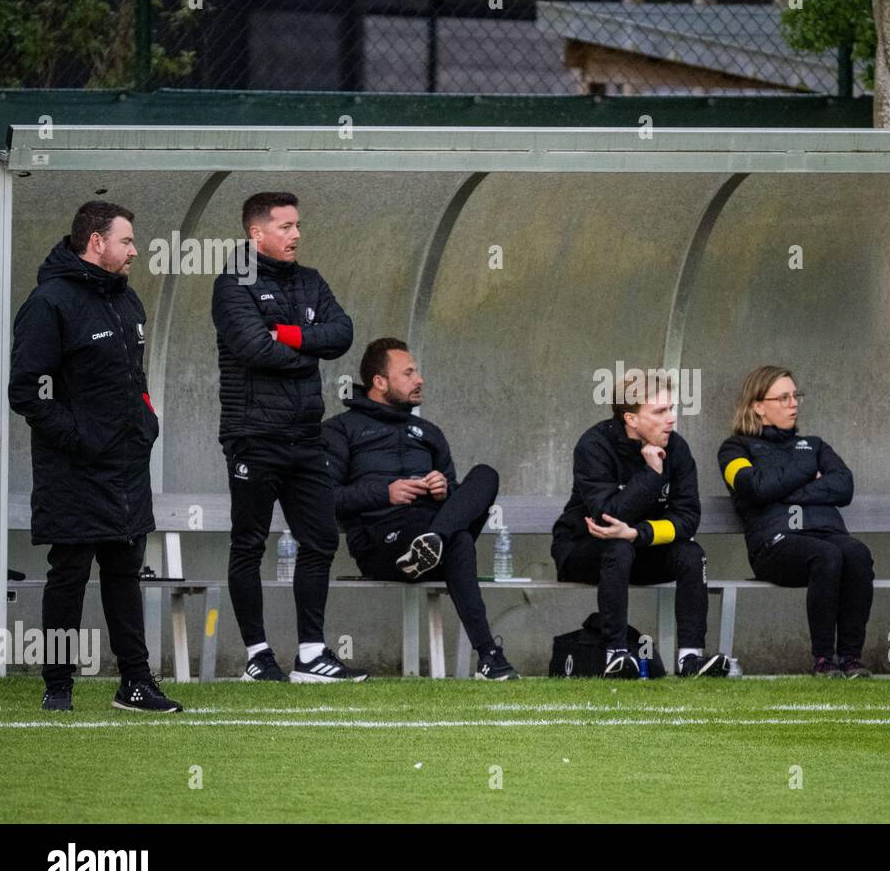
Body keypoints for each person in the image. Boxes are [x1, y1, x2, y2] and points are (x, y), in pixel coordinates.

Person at [9, 201, 181, 712]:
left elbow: (137, 379)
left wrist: (146, 421)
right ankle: (58, 686)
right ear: (96, 242)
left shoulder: (127, 302)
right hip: (74, 468)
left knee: (125, 571)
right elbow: (27, 391)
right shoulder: (50, 302)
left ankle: (135, 681)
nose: (135, 250)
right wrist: (80, 436)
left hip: (127, 464)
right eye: (126, 241)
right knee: (70, 572)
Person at [212, 191, 365, 682]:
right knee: (249, 545)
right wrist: (304, 349)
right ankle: (258, 655)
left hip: (305, 437)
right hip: (253, 437)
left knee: (320, 540)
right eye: (285, 227)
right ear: (256, 232)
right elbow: (255, 349)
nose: (296, 235)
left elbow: (342, 334)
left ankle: (312, 654)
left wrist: (291, 335)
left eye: (297, 225)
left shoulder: (311, 281)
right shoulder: (234, 283)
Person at [322, 338, 518, 680]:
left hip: (433, 526)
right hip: (384, 542)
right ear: (379, 382)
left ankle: (433, 542)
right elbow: (326, 497)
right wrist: (386, 493)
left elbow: (461, 498)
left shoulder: (429, 432)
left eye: (418, 372)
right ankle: (488, 656)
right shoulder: (340, 430)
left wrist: (444, 490)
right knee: (460, 543)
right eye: (409, 372)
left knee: (485, 475)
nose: (420, 379)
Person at [552, 369, 730, 678]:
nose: (671, 419)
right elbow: (607, 515)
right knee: (617, 547)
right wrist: (651, 474)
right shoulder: (594, 445)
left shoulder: (677, 448)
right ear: (631, 419)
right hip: (582, 549)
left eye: (671, 409)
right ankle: (616, 655)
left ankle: (690, 658)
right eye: (660, 411)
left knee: (691, 553)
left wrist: (638, 533)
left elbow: (688, 518)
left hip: (639, 549)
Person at [717, 366, 874, 677]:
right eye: (784, 397)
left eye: (795, 396)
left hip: (827, 533)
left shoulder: (814, 444)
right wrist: (807, 472)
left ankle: (851, 659)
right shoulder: (735, 448)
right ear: (758, 406)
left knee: (856, 553)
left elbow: (843, 486)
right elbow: (754, 488)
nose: (794, 403)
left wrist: (782, 490)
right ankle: (823, 661)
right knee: (826, 556)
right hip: (774, 545)